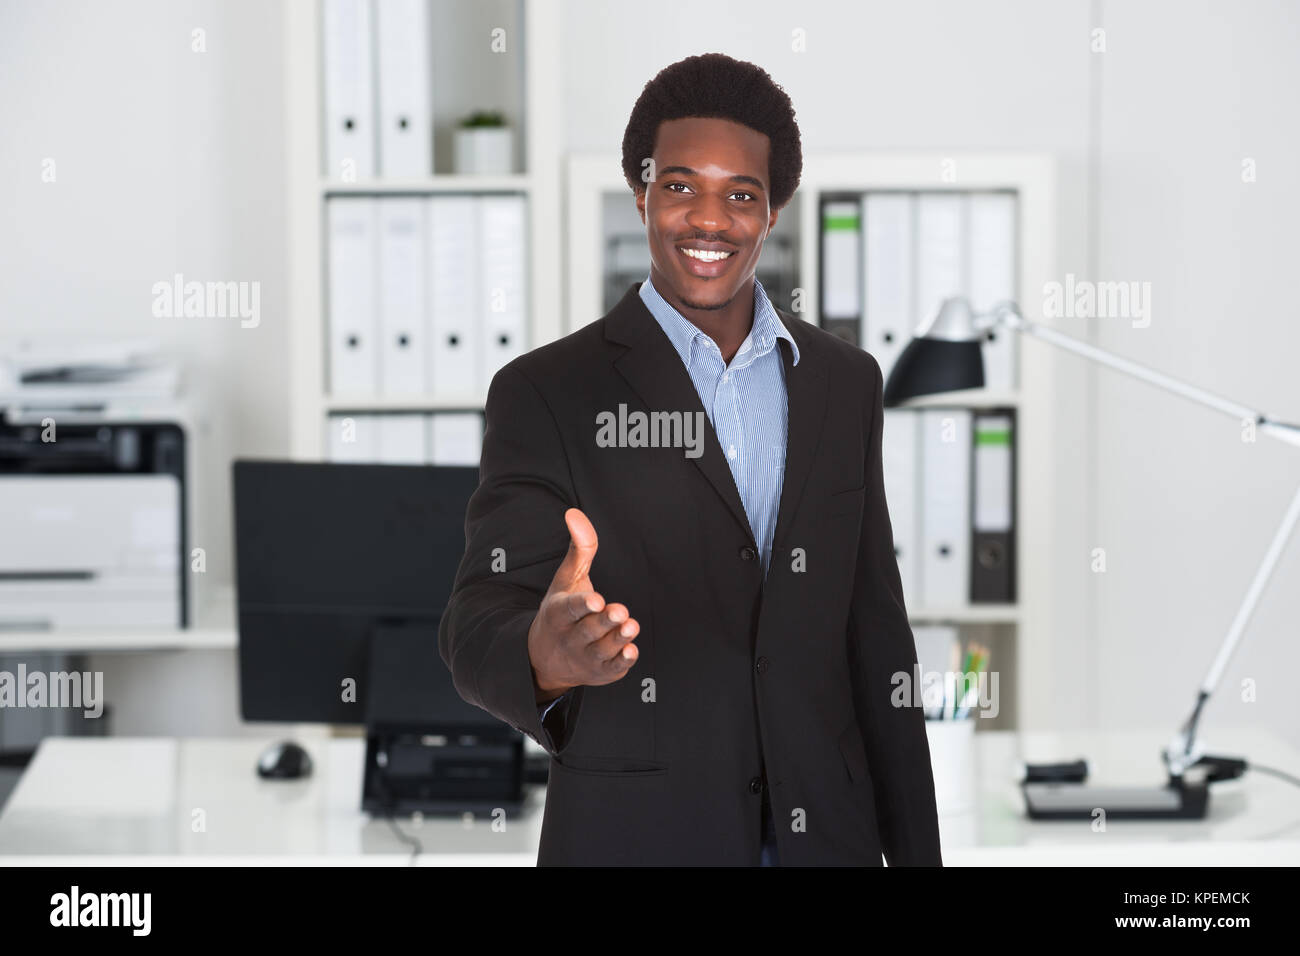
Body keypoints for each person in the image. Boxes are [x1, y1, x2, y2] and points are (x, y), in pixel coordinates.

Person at [439, 52, 942, 866]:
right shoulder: (547, 391)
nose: (709, 219)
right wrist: (547, 653)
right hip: (641, 838)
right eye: (679, 186)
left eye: (741, 194)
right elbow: (475, 619)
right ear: (641, 194)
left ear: (772, 210)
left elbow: (878, 640)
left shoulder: (845, 385)